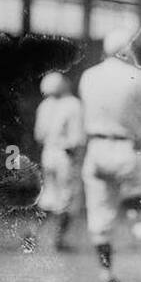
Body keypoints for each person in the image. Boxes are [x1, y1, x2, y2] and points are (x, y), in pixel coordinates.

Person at [77, 27, 141, 282]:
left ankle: (106, 274)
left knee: (100, 216)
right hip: (126, 152)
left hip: (96, 150)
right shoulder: (137, 78)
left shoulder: (88, 76)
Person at [27, 72, 84, 252]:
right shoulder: (73, 104)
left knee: (48, 197)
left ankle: (32, 232)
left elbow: (39, 135)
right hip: (65, 156)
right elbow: (77, 138)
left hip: (48, 154)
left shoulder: (44, 105)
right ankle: (58, 240)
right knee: (68, 199)